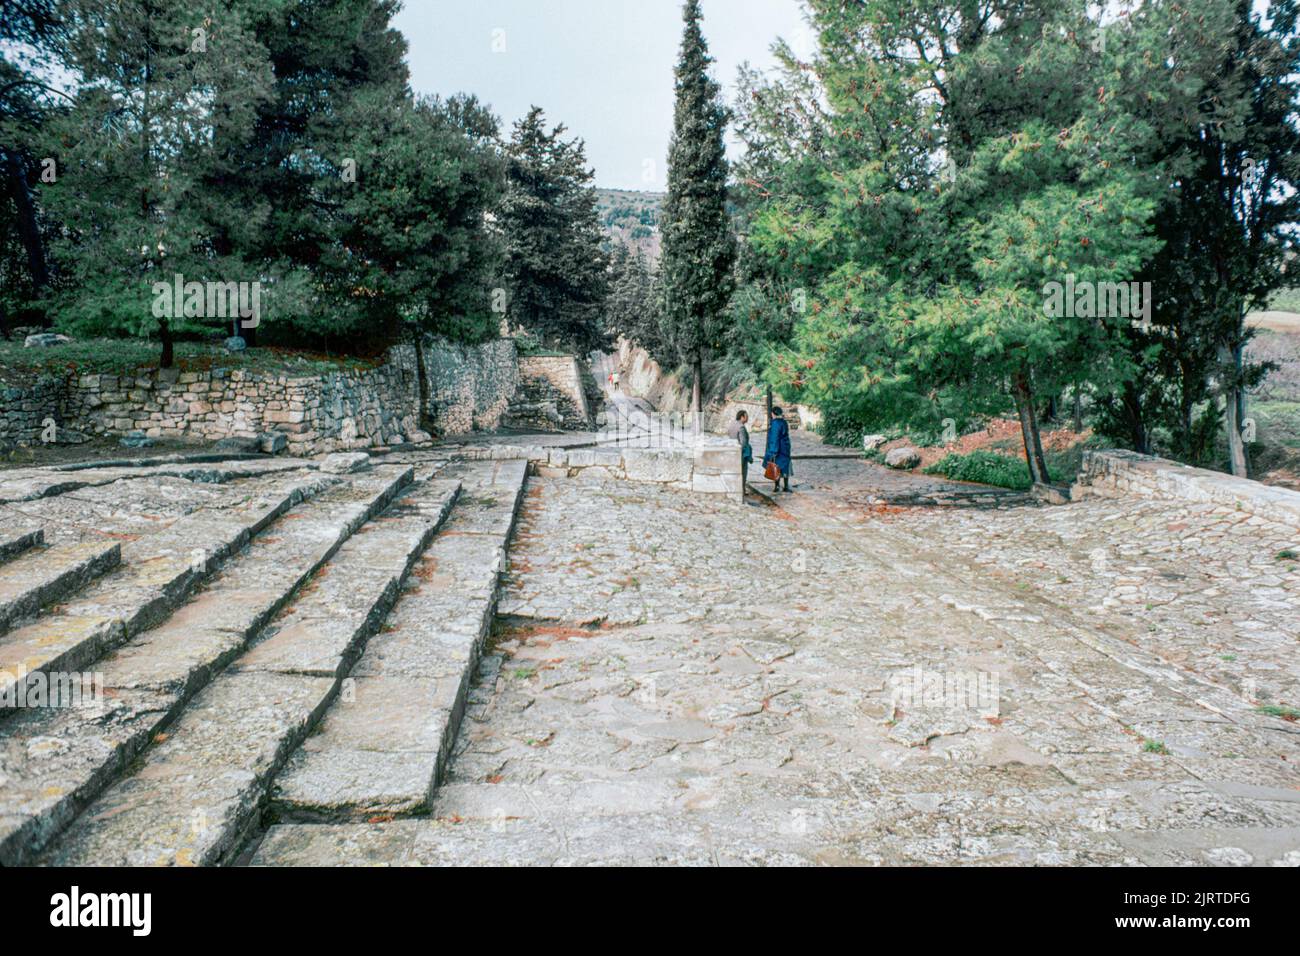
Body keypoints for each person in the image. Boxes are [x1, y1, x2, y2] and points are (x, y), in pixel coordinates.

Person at [763, 406, 792, 493]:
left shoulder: (775, 423)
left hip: (778, 449)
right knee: (785, 466)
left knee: (776, 466)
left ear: (773, 413)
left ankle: (777, 486)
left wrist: (773, 451)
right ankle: (786, 486)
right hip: (785, 448)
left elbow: (774, 438)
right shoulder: (784, 422)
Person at [728, 410, 753, 488]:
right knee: (743, 472)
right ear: (742, 417)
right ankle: (741, 489)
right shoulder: (741, 427)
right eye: (746, 417)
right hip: (741, 454)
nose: (747, 418)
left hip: (732, 451)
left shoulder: (732, 425)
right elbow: (743, 443)